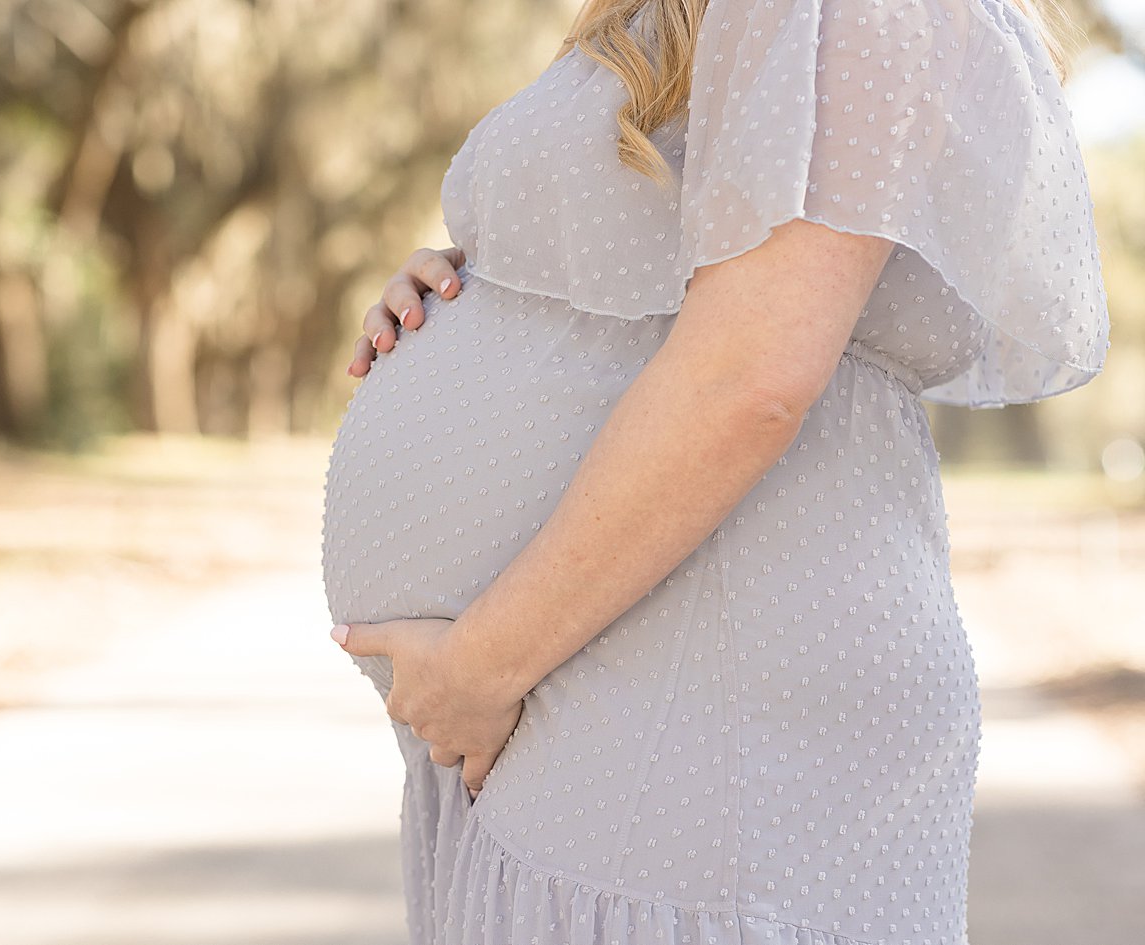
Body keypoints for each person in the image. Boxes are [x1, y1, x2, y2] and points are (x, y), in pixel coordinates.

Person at [318, 0, 1107, 940]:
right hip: (609, 688)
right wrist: (483, 272)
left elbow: (752, 376)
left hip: (697, 700)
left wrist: (482, 667)